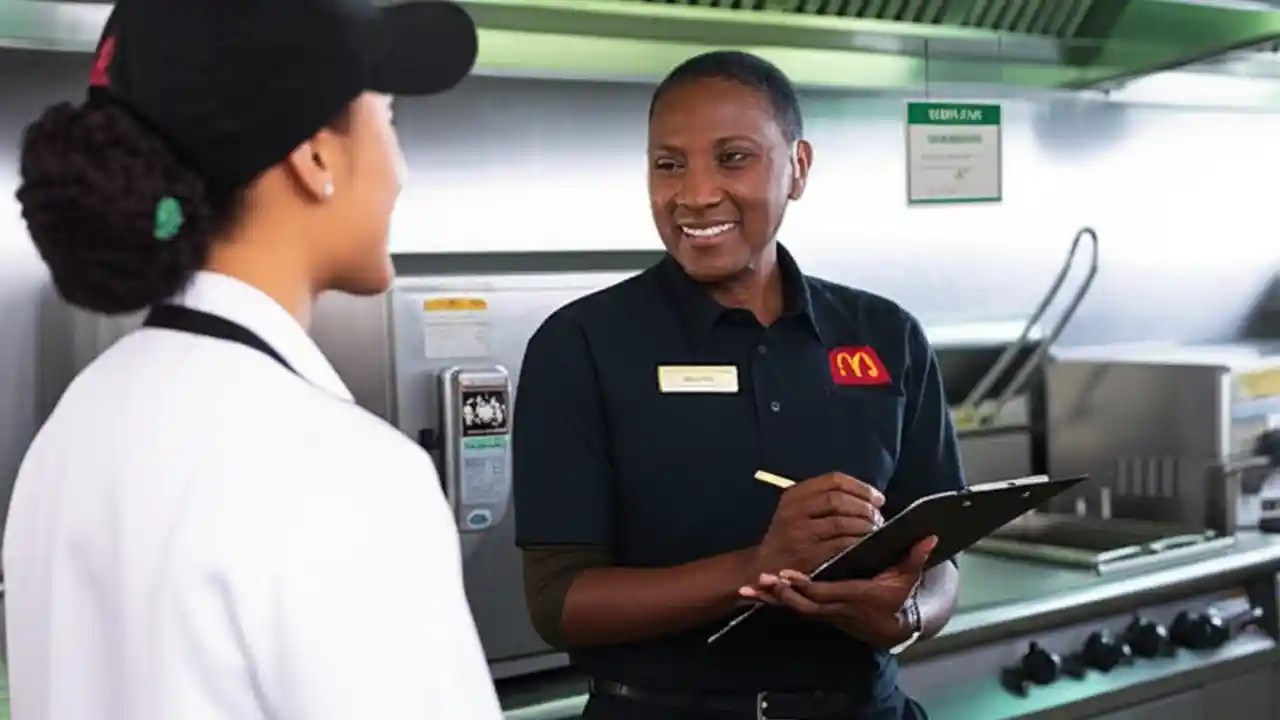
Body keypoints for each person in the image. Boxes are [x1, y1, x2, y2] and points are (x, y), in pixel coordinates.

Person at [3, 1, 503, 718]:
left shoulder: (71, 429)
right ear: (316, 156)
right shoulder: (343, 470)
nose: (400, 171)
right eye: (387, 118)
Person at [512, 51, 964, 719]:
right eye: (669, 165)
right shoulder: (580, 345)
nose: (694, 195)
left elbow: (940, 564)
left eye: (732, 158)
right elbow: (559, 603)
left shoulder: (886, 335)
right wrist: (759, 565)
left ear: (798, 168)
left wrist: (905, 614)